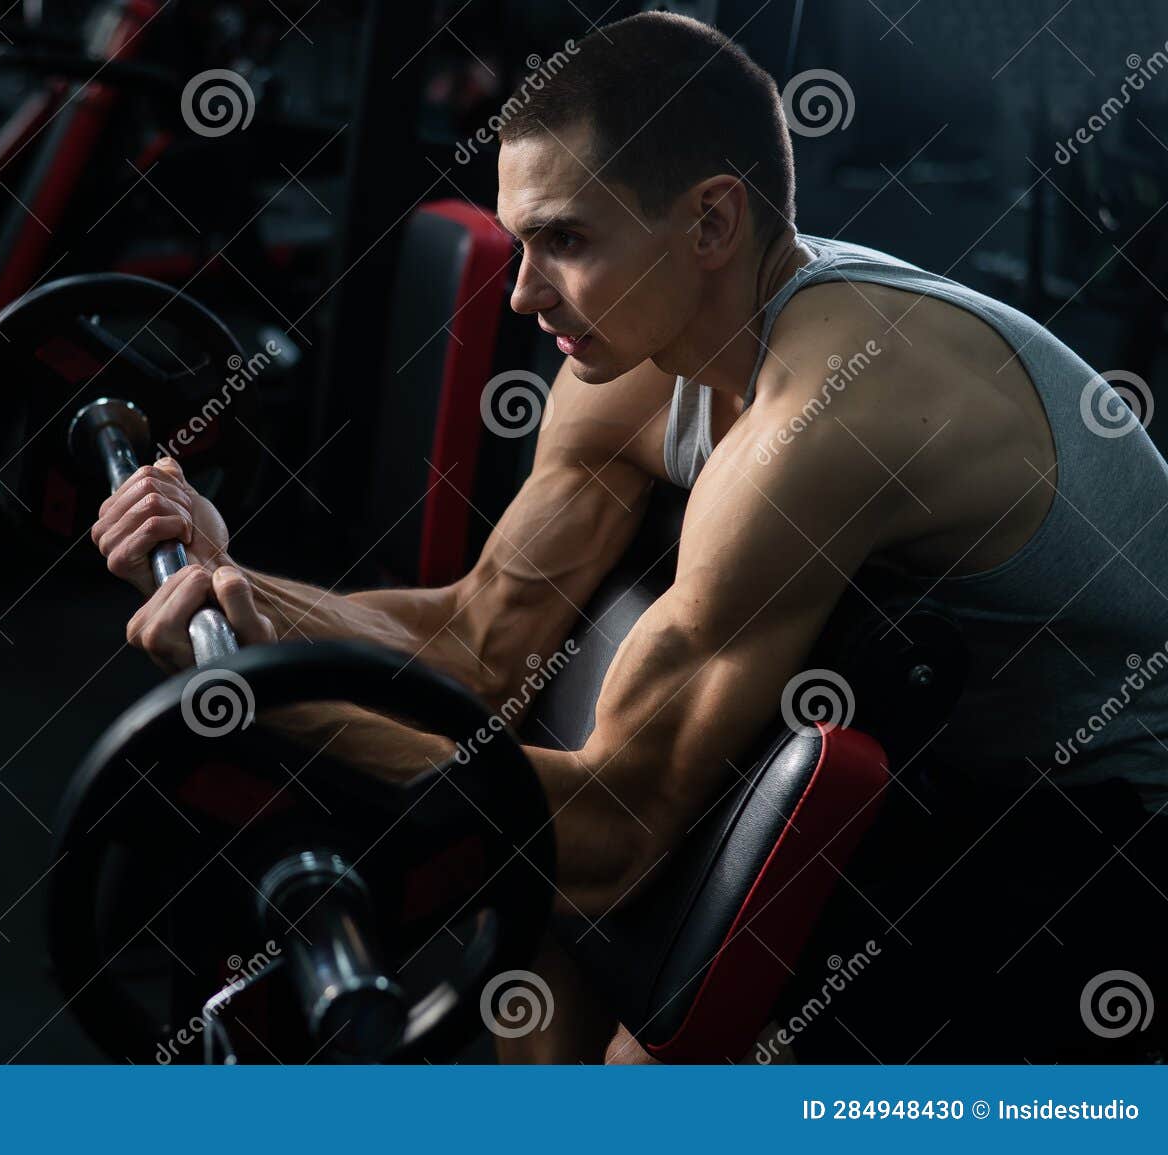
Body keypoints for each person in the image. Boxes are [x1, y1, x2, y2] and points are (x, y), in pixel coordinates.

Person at [90, 12, 1168, 1063]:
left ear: (708, 223)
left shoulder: (827, 418)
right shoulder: (634, 355)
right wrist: (239, 593)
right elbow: (479, 640)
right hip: (931, 748)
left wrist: (271, 697)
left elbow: (614, 837)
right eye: (521, 241)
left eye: (563, 240)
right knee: (544, 947)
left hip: (1096, 838)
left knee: (635, 1017)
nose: (520, 291)